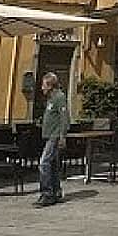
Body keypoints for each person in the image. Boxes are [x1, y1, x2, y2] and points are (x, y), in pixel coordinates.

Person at [35, 72, 69, 207]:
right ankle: (56, 192)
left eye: (43, 85)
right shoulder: (50, 99)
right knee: (53, 165)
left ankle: (47, 194)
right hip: (49, 136)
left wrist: (62, 136)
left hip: (54, 136)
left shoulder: (59, 97)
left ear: (50, 86)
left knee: (44, 163)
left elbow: (64, 117)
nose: (41, 88)